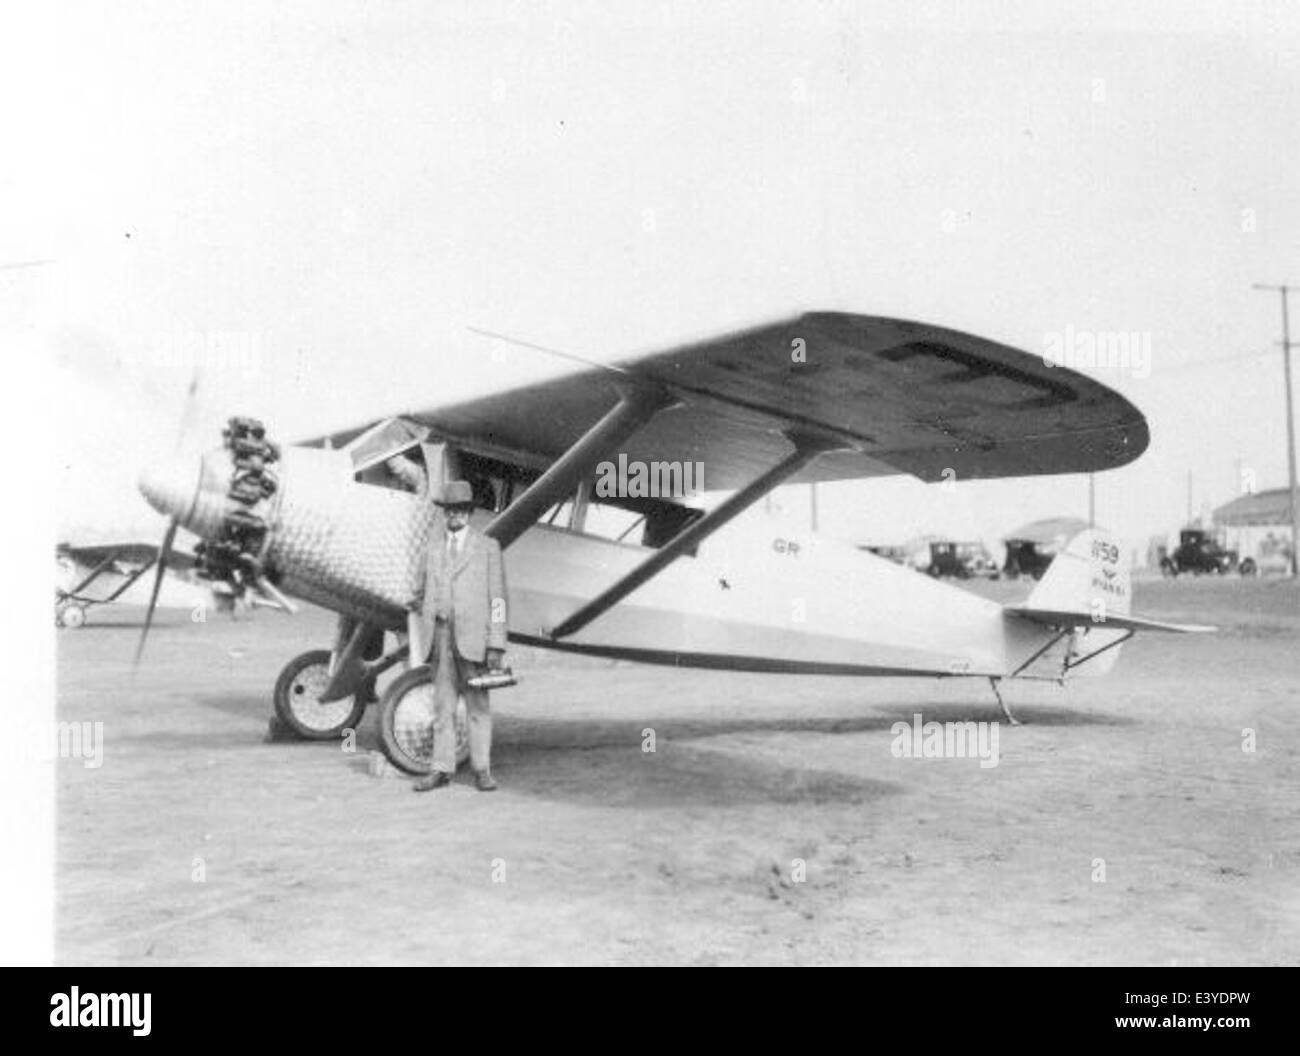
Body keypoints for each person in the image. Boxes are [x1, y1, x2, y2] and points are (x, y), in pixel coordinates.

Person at [411, 479, 508, 792]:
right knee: (443, 708)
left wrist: (496, 644)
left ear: (470, 513)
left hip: (475, 643)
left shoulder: (487, 548)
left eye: (462, 510)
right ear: (444, 514)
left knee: (478, 709)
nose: (456, 516)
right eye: (451, 510)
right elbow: (418, 591)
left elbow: (498, 601)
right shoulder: (432, 550)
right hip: (440, 639)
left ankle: (482, 770)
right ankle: (441, 769)